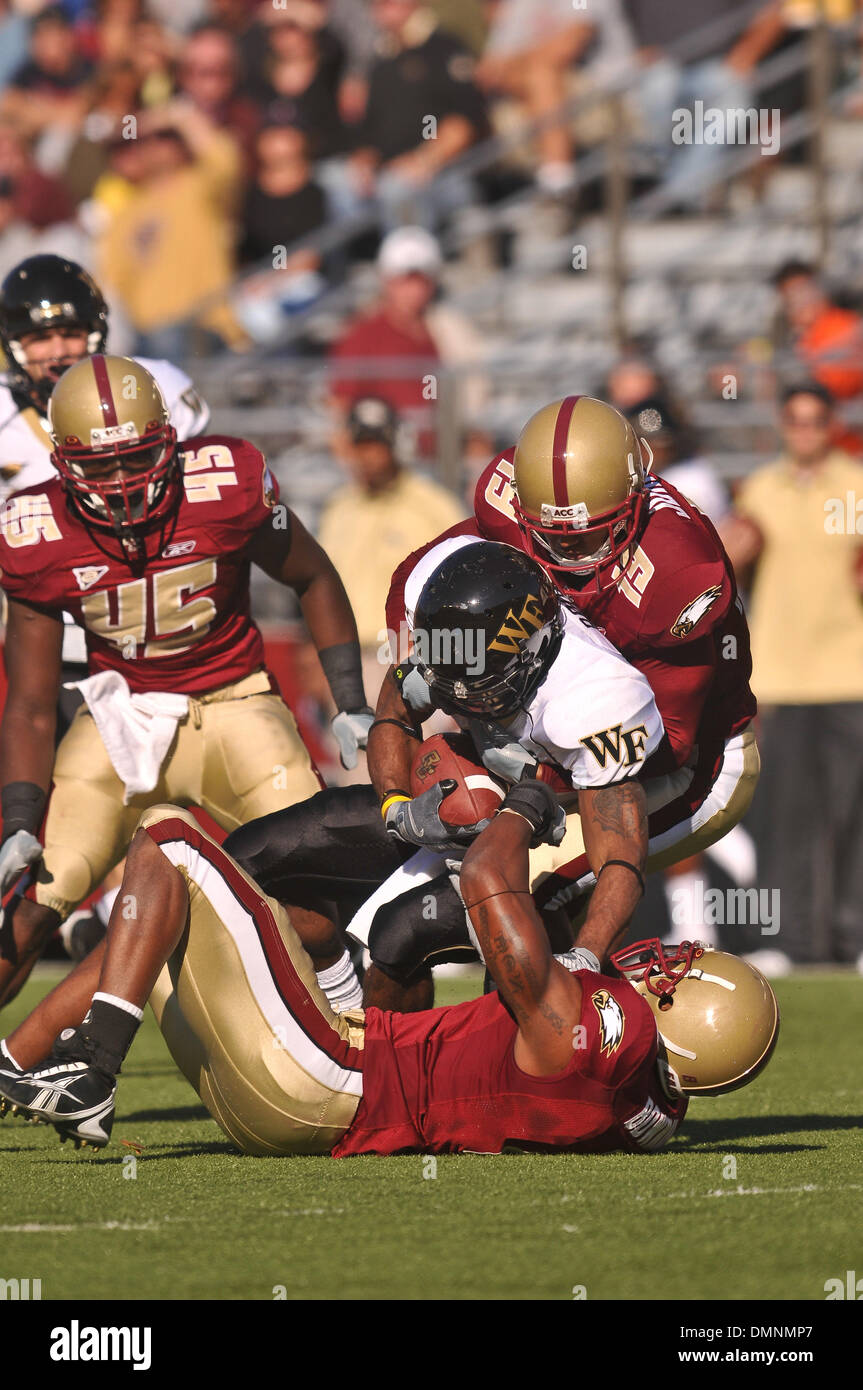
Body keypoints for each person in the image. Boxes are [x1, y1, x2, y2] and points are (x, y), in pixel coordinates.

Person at [0, 789, 778, 1155]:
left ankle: (93, 1067)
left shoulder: (596, 1031)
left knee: (167, 838)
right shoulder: (649, 1108)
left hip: (326, 1074)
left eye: (675, 973)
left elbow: (486, 881)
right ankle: (37, 1053)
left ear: (672, 1014)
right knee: (300, 923)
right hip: (315, 1101)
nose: (660, 962)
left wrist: (523, 803)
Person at [0, 354, 373, 1011]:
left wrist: (350, 701)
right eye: (100, 466)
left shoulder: (226, 484)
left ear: (171, 443)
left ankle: (363, 1035)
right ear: (61, 463)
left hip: (236, 701)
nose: (122, 484)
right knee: (27, 906)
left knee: (312, 906)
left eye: (136, 458)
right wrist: (20, 820)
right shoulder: (37, 532)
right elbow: (31, 702)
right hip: (122, 719)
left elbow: (311, 574)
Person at [723, 381, 863, 970]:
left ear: (831, 425)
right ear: (784, 425)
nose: (805, 431)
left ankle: (852, 939)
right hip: (780, 676)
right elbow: (731, 568)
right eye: (795, 420)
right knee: (784, 818)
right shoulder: (760, 489)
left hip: (849, 673)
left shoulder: (856, 486)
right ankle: (788, 942)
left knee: (852, 814)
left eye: (815, 421)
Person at [318, 395, 463, 710]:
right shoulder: (337, 508)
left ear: (396, 445)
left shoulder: (433, 506)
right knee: (352, 742)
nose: (368, 456)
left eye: (377, 444)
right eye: (361, 445)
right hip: (351, 662)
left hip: (417, 657)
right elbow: (321, 588)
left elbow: (462, 581)